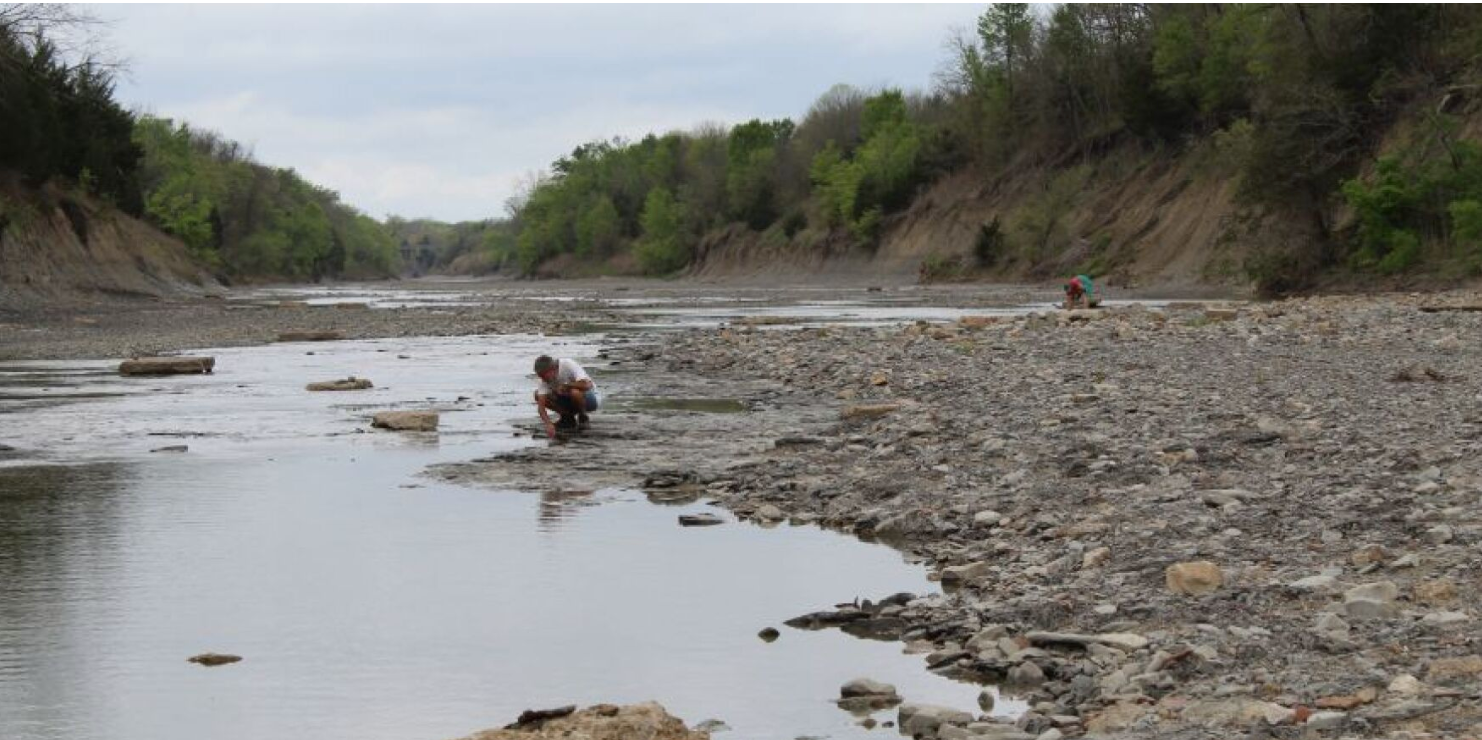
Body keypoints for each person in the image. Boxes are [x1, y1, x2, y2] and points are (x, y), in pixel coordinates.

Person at [533, 355, 599, 438]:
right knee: (537, 394)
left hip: (589, 399)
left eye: (543, 375)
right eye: (539, 376)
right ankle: (567, 418)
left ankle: (583, 417)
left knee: (574, 392)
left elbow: (587, 385)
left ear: (552, 370)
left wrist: (567, 386)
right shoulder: (544, 381)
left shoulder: (567, 364)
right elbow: (541, 407)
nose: (542, 379)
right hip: (568, 402)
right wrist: (548, 424)